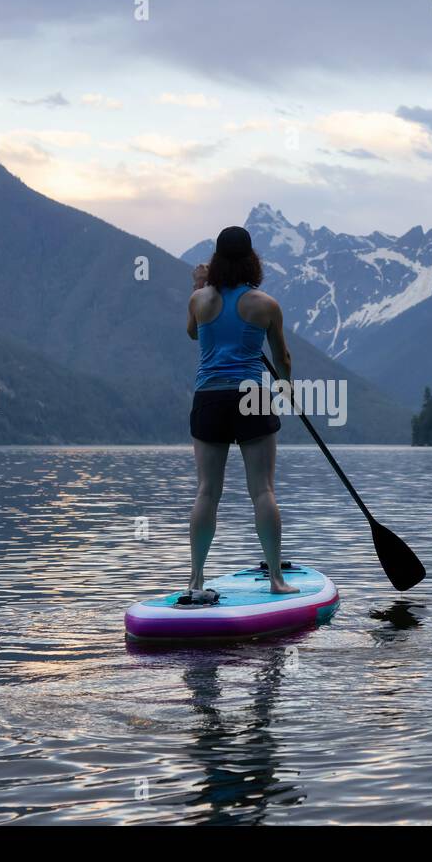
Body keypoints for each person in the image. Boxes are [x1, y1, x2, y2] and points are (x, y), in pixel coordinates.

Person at [185, 225, 297, 596]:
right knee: (263, 490)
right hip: (253, 396)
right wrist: (285, 384)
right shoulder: (265, 305)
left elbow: (193, 333)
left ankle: (196, 580)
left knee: (207, 492)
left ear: (215, 261)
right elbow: (281, 358)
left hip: (209, 398)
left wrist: (199, 286)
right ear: (252, 261)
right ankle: (276, 580)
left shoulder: (199, 301)